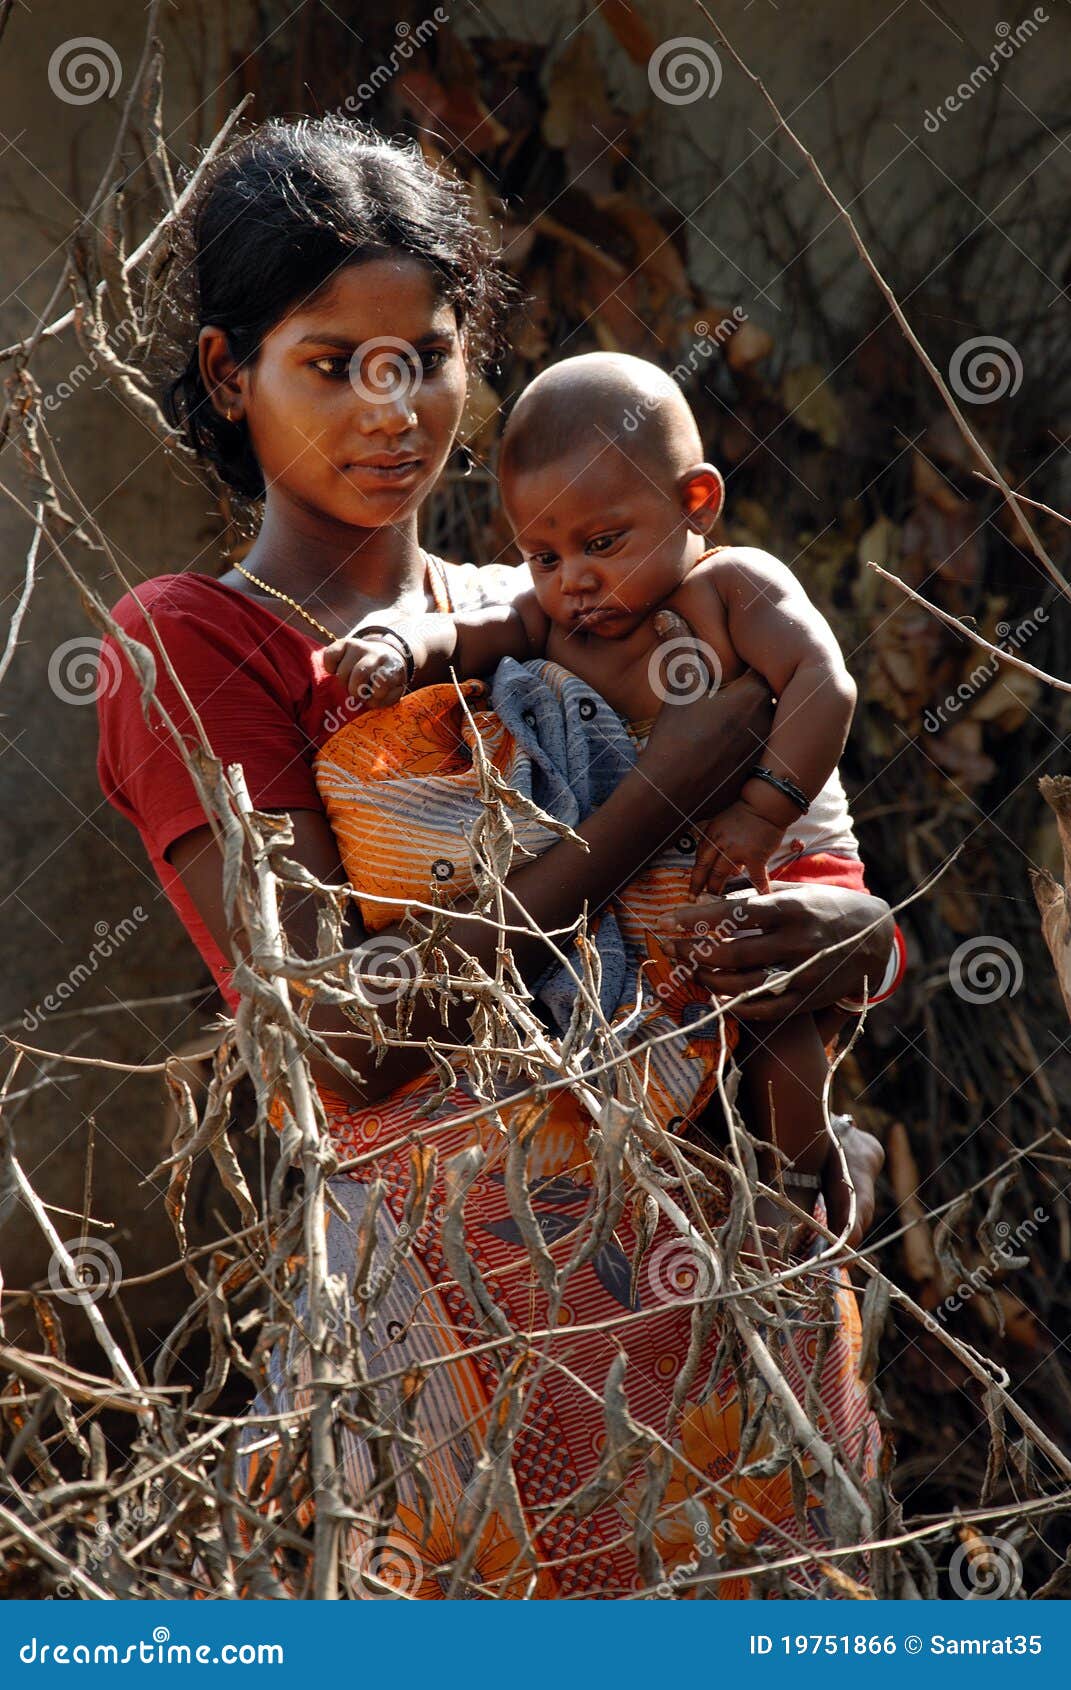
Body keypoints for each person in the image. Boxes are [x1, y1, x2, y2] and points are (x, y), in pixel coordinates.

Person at [95, 116, 904, 1598]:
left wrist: (856, 947)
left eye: (425, 356)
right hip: (470, 1340)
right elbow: (336, 1032)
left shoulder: (558, 583)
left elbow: (797, 834)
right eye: (331, 362)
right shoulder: (191, 642)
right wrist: (665, 786)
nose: (391, 407)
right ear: (229, 374)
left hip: (730, 1296)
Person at [323, 352, 863, 1241]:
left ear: (696, 502)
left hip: (782, 856)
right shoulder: (554, 616)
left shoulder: (734, 589)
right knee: (674, 1027)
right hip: (667, 872)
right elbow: (468, 632)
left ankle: (791, 1189)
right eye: (542, 552)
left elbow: (823, 681)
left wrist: (763, 809)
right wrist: (399, 645)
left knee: (772, 1010)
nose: (572, 577)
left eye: (601, 543)